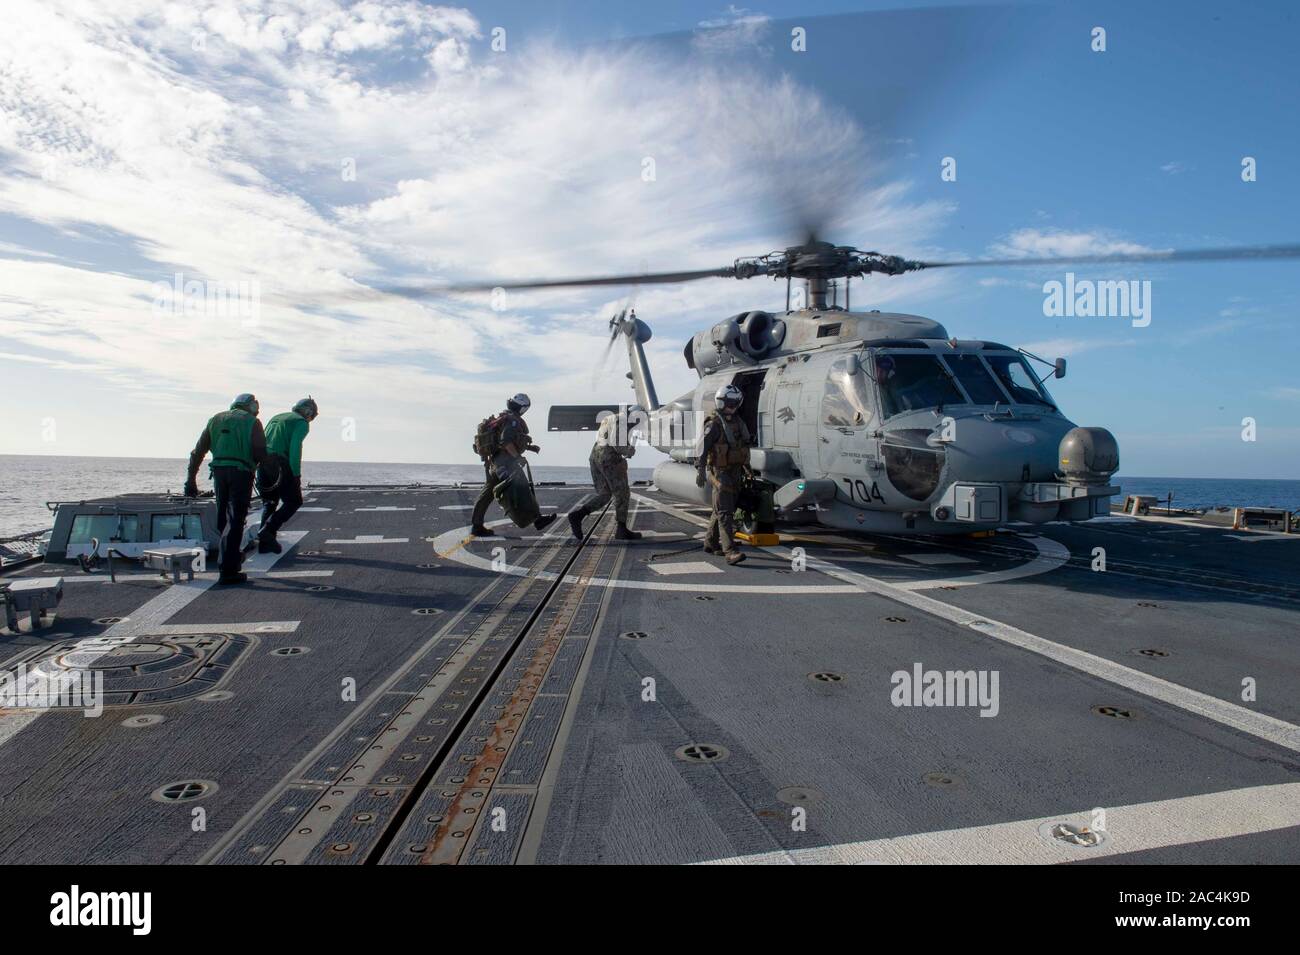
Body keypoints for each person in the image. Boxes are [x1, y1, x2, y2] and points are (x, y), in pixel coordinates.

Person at [184, 393, 267, 585]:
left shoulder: (215, 419)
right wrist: (268, 478)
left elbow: (198, 452)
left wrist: (190, 480)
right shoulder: (252, 422)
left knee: (223, 518)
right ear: (249, 406)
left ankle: (231, 557)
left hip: (219, 474)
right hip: (241, 473)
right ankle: (228, 570)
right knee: (236, 519)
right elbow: (261, 452)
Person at [470, 393, 557, 536]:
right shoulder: (512, 421)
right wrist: (518, 457)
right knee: (523, 489)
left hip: (494, 463)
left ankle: (476, 525)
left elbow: (506, 440)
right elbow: (505, 441)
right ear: (522, 408)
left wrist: (530, 447)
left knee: (486, 494)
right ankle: (538, 519)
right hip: (507, 463)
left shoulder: (503, 418)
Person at [696, 383, 752, 566]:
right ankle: (730, 551)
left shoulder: (737, 422)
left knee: (720, 510)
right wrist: (700, 470)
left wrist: (747, 467)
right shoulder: (714, 425)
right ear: (721, 403)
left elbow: (741, 447)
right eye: (729, 403)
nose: (732, 407)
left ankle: (710, 543)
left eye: (735, 403)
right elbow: (701, 449)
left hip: (735, 471)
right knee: (725, 513)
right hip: (720, 473)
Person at [568, 407, 642, 541]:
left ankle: (578, 515)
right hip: (609, 460)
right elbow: (618, 445)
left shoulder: (609, 418)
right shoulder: (622, 422)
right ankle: (621, 530)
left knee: (605, 494)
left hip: (595, 456)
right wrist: (629, 451)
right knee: (622, 493)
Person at [256, 396, 318, 553]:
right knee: (294, 501)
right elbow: (295, 448)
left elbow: (262, 439)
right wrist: (296, 475)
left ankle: (265, 545)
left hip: (263, 463)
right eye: (312, 415)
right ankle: (268, 530)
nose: (311, 419)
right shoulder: (301, 422)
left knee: (269, 502)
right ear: (308, 411)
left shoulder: (277, 417)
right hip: (280, 463)